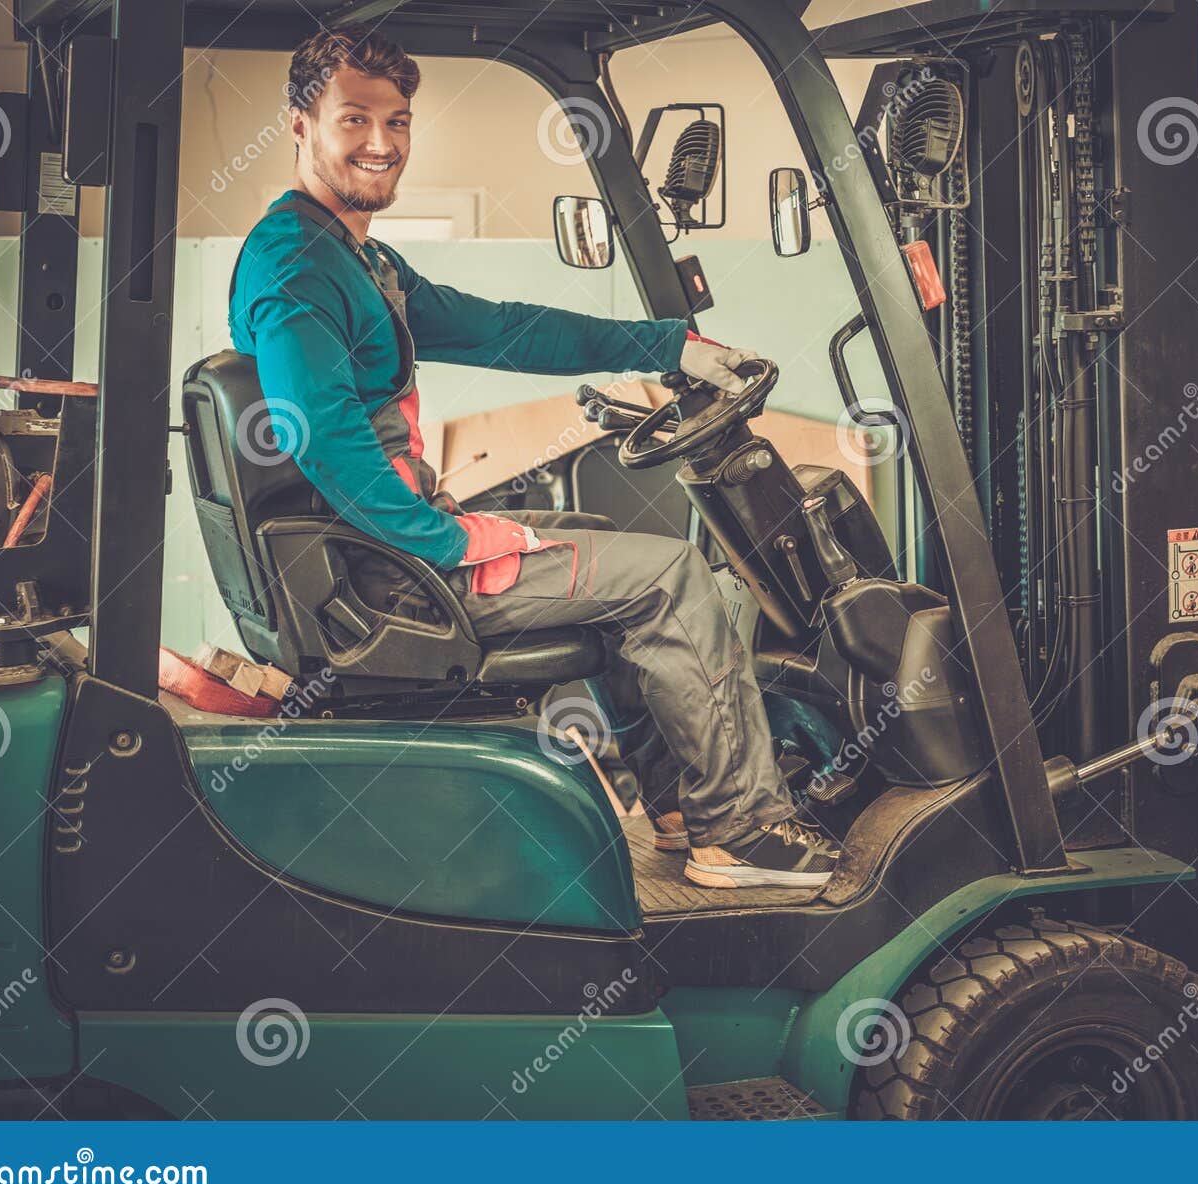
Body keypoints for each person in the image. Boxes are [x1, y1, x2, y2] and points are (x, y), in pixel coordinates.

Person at [227, 25, 839, 889]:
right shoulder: (298, 263)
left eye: (397, 121)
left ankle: (676, 803)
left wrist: (670, 345)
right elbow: (320, 437)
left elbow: (503, 328)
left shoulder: (354, 256)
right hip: (388, 573)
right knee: (672, 575)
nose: (381, 142)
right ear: (300, 125)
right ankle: (741, 830)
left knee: (597, 535)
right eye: (353, 118)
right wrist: (446, 542)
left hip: (380, 551)